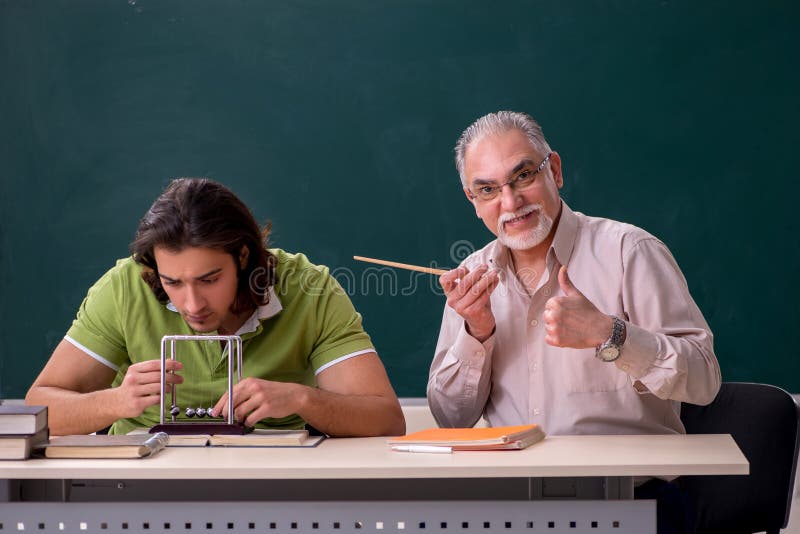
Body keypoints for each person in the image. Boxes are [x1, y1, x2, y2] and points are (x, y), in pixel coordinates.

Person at [428, 111, 720, 533]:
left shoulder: (629, 251)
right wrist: (477, 332)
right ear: (472, 200)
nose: (510, 203)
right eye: (488, 189)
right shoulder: (472, 278)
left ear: (555, 170)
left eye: (523, 176)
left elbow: (704, 379)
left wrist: (610, 334)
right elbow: (450, 420)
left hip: (630, 504)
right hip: (512, 510)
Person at [27, 178, 405, 438]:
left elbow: (385, 419)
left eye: (209, 280)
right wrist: (115, 402)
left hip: (275, 486)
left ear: (243, 256)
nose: (192, 305)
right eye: (173, 283)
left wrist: (300, 398)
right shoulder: (124, 287)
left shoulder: (310, 289)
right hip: (143, 487)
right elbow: (39, 407)